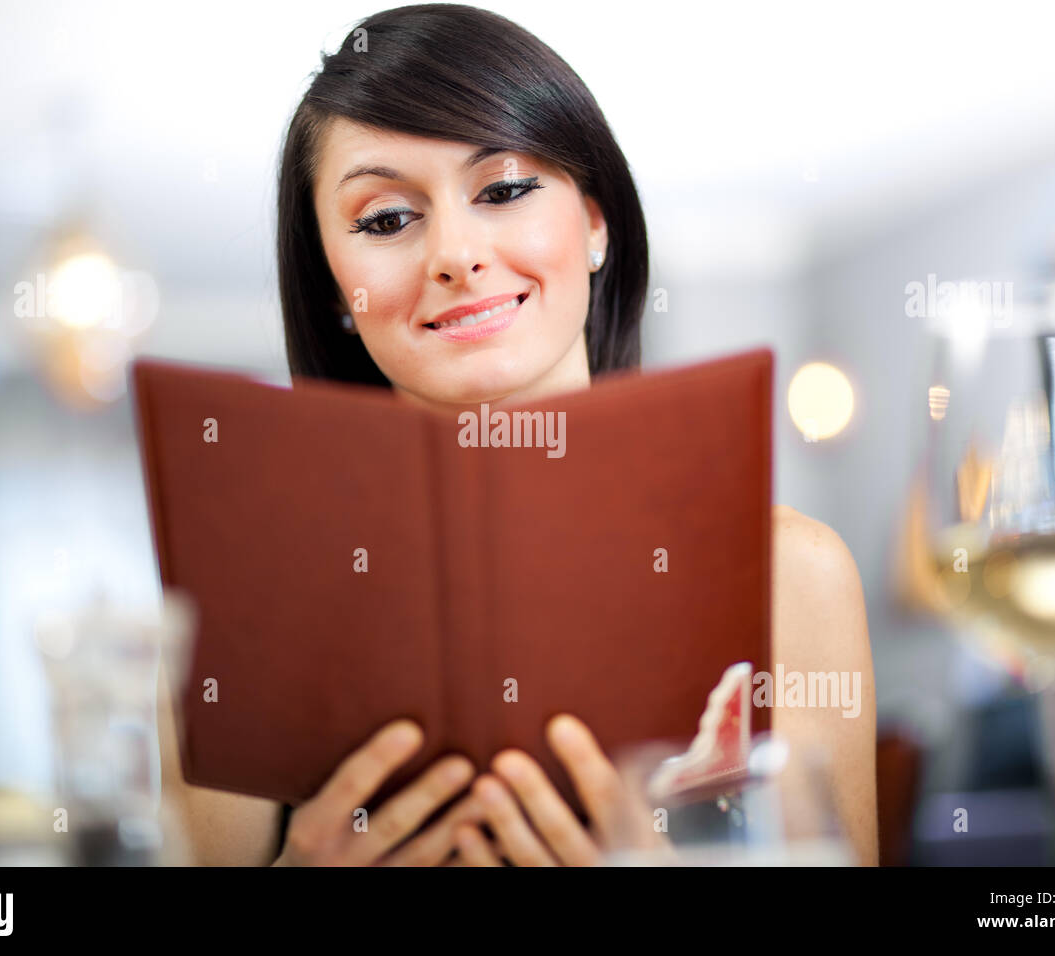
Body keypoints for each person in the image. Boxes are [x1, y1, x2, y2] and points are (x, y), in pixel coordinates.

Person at [157, 3, 877, 866]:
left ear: (597, 223)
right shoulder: (234, 619)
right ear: (332, 293)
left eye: (503, 190)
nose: (454, 254)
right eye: (386, 219)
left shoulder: (789, 576)